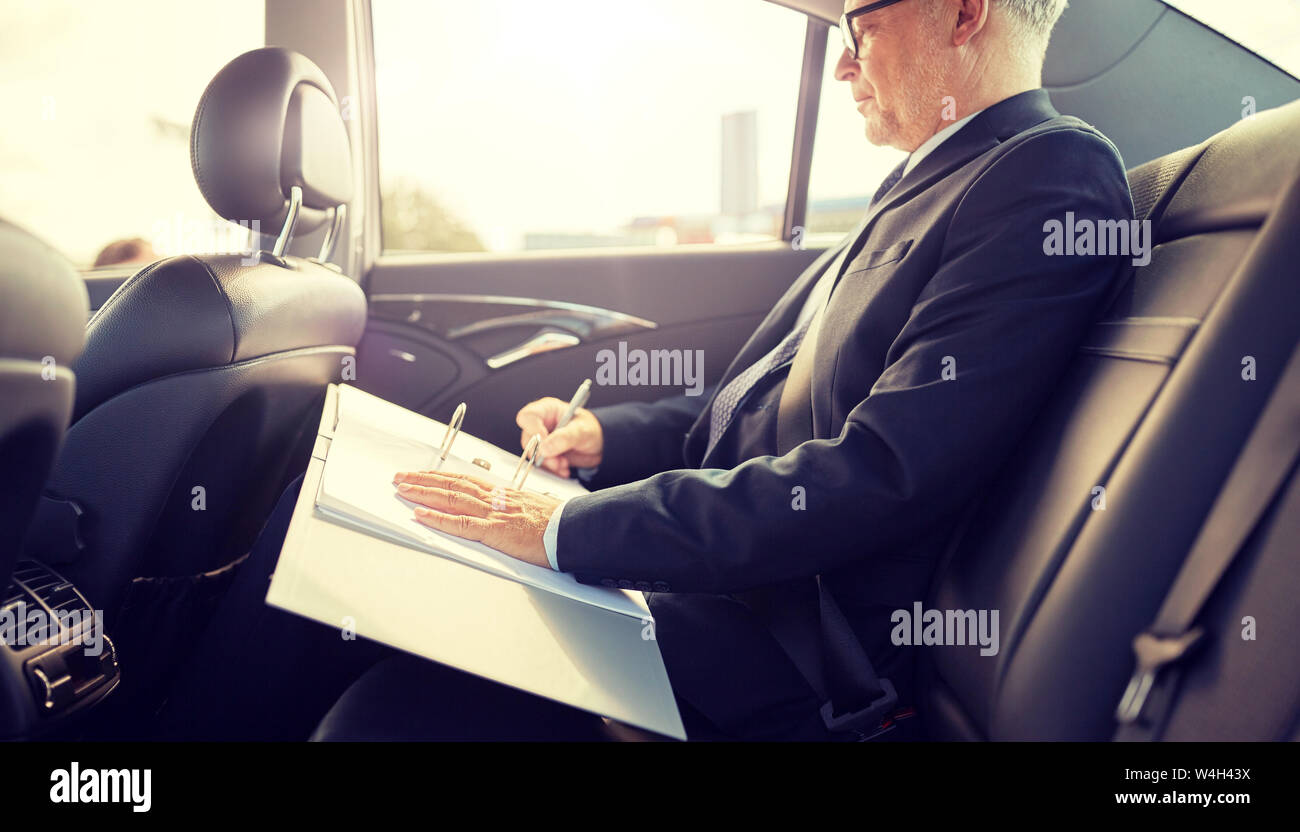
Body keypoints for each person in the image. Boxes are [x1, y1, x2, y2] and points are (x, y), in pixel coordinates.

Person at [159, 0, 1135, 741]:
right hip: (733, 595)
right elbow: (753, 401)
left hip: (789, 648)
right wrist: (606, 439)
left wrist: (571, 529)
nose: (843, 60)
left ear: (963, 10)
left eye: (859, 23)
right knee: (344, 529)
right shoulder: (932, 179)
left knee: (384, 716)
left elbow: (881, 473)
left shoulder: (1041, 176)